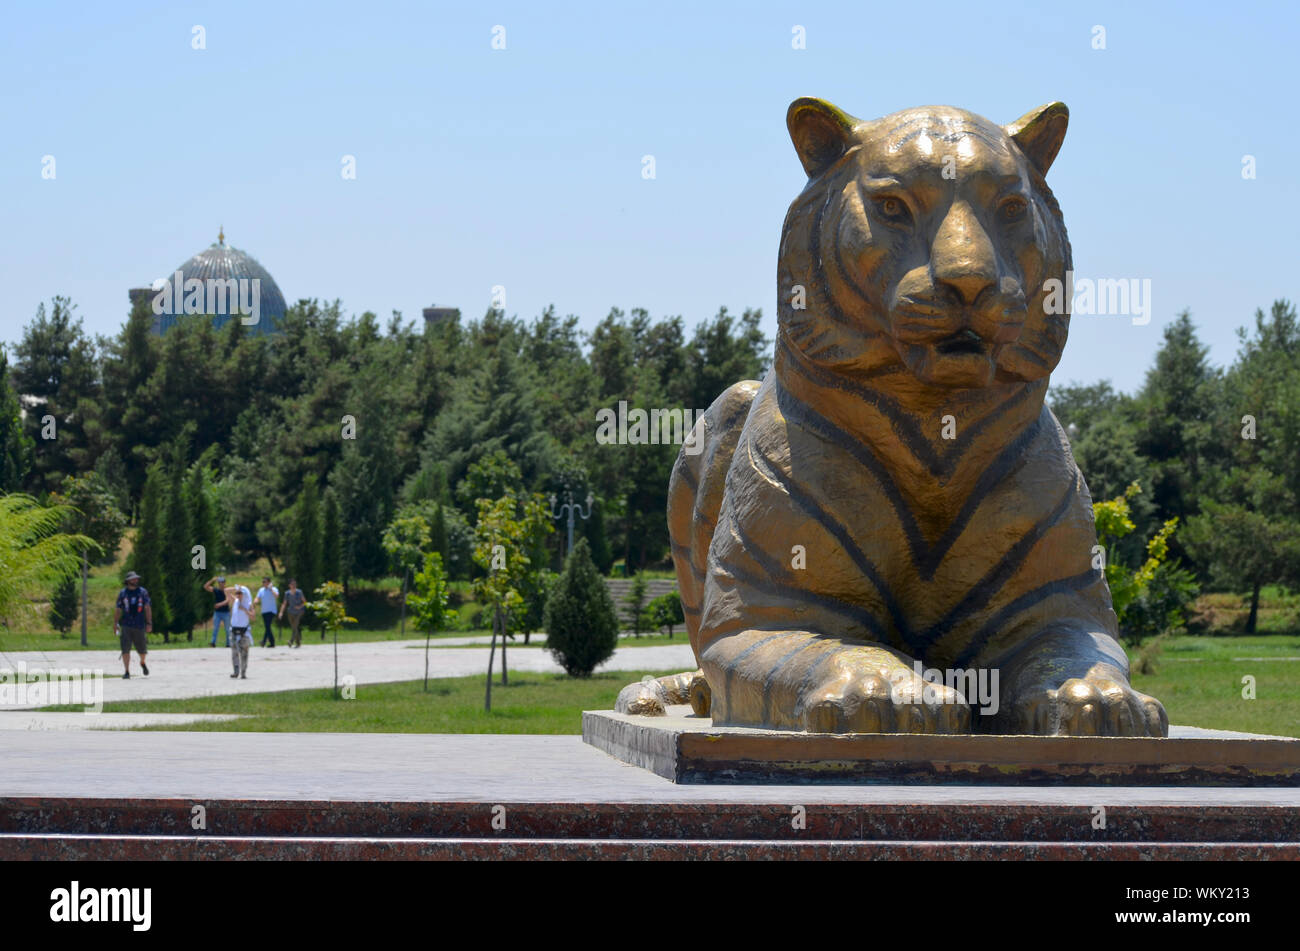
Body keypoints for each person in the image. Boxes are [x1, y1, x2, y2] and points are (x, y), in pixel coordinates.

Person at [114, 571, 152, 679]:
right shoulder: (123, 593)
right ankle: (127, 671)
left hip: (139, 624)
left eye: (136, 579)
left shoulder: (142, 592)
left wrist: (149, 622)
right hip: (126, 624)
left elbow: (147, 607)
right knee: (125, 649)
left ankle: (142, 662)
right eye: (133, 579)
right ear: (128, 581)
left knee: (142, 649)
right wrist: (115, 623)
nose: (135, 580)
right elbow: (118, 609)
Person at [220, 580, 254, 679]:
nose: (238, 595)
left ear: (244, 594)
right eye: (237, 593)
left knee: (244, 653)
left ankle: (243, 672)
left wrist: (245, 610)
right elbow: (226, 590)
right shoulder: (235, 601)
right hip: (234, 630)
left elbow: (253, 617)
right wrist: (236, 588)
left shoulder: (248, 604)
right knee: (234, 652)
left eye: (240, 593)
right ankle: (236, 671)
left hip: (244, 632)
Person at [279, 578, 307, 648]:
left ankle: (291, 641)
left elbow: (305, 602)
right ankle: (298, 643)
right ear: (289, 585)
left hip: (299, 612)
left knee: (295, 625)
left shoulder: (299, 592)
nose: (294, 585)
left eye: (295, 584)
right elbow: (284, 603)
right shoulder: (287, 593)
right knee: (294, 627)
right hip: (290, 612)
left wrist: (300, 606)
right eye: (292, 584)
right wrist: (281, 612)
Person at [204, 576, 231, 648]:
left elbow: (228, 600)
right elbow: (206, 587)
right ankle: (213, 643)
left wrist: (220, 604)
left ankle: (229, 643)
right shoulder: (216, 590)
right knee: (215, 628)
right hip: (217, 613)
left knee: (228, 629)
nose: (221, 584)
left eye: (222, 582)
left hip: (226, 612)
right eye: (219, 582)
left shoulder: (227, 590)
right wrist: (212, 580)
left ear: (224, 583)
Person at [256, 577, 280, 647]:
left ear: (269, 582)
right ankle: (263, 642)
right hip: (264, 611)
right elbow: (258, 597)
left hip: (271, 611)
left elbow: (276, 596)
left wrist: (271, 589)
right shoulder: (261, 590)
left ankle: (272, 642)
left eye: (265, 582)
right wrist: (256, 600)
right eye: (263, 582)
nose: (263, 583)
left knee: (267, 626)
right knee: (267, 627)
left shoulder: (274, 589)